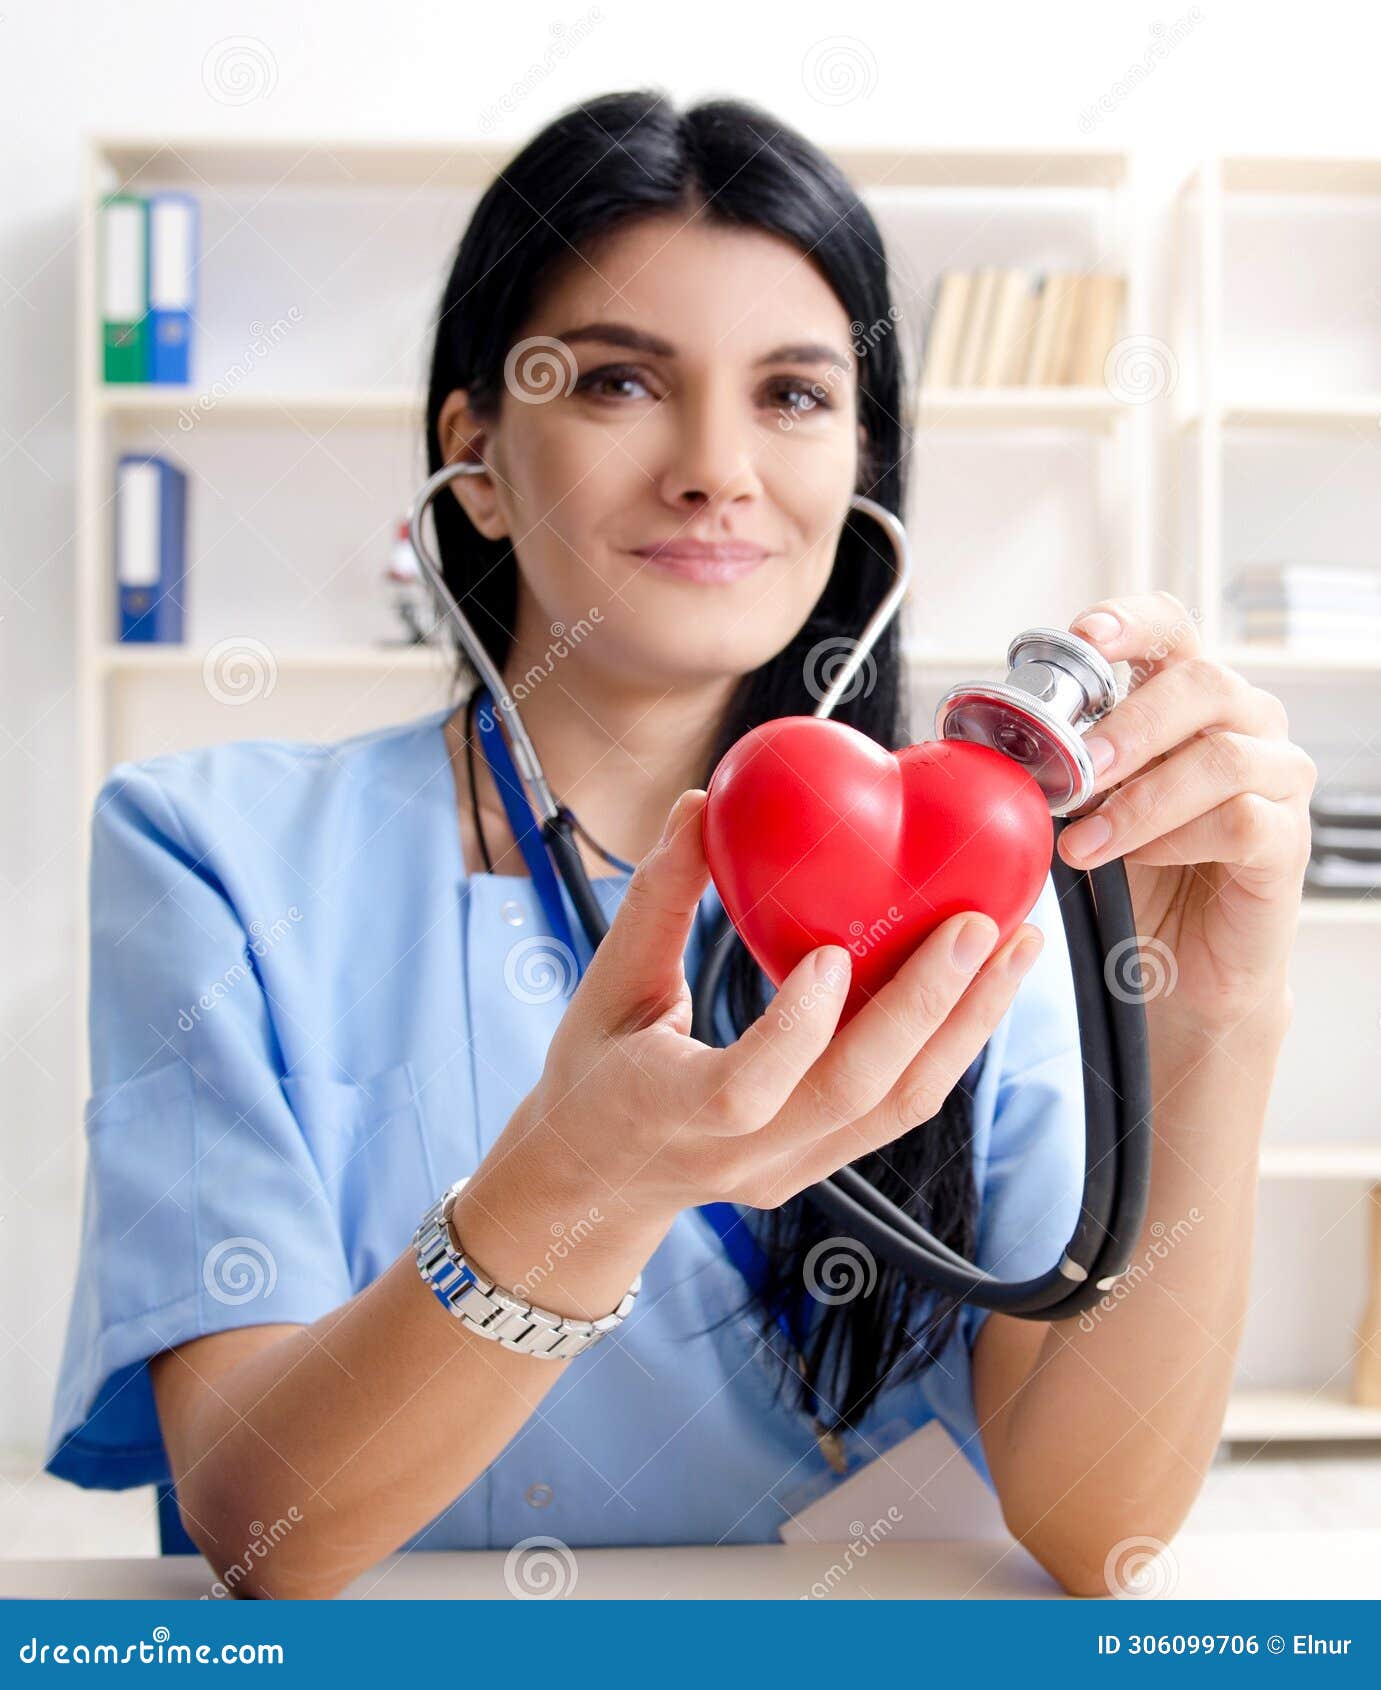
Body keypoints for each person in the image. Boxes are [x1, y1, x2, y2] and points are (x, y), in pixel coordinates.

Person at [45, 91, 1315, 1600]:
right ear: (477, 453)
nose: (715, 466)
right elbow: (263, 1527)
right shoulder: (212, 851)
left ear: (857, 471)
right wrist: (583, 1178)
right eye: (616, 383)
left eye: (790, 395)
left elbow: (1091, 1523)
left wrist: (1214, 1019)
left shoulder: (979, 859)